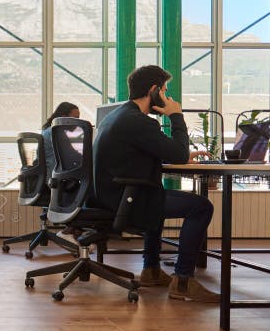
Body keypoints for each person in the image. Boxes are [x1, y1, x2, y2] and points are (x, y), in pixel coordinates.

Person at [93, 65, 217, 302]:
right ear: (154, 90)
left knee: (155, 193)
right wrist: (176, 115)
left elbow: (158, 152)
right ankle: (183, 281)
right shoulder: (138, 122)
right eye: (165, 91)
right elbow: (178, 153)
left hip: (110, 197)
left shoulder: (119, 116)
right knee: (201, 207)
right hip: (125, 202)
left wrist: (180, 154)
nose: (167, 97)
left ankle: (151, 270)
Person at [42, 102, 81, 174]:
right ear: (64, 118)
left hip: (52, 174)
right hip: (55, 176)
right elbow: (73, 156)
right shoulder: (56, 133)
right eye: (75, 119)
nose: (77, 122)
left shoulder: (51, 130)